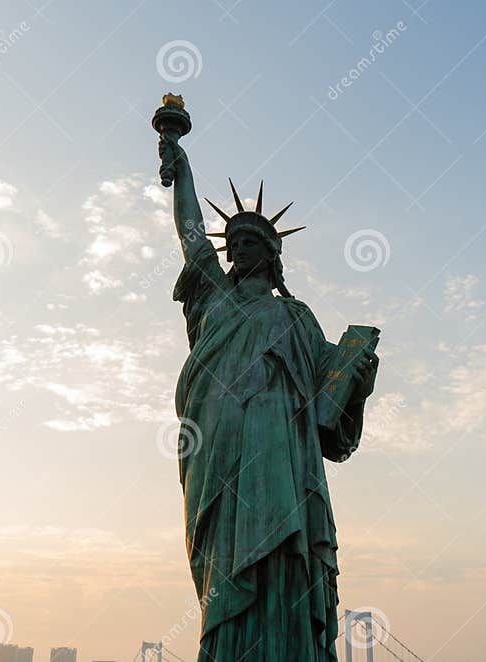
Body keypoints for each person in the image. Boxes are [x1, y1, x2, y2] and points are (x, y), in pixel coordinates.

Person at [159, 133, 379, 661]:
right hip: (218, 458)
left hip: (284, 461)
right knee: (223, 564)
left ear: (273, 252)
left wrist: (360, 381)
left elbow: (334, 411)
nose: (236, 250)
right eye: (231, 244)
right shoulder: (212, 300)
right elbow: (191, 236)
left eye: (249, 242)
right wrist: (183, 172)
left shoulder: (296, 318)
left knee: (286, 557)